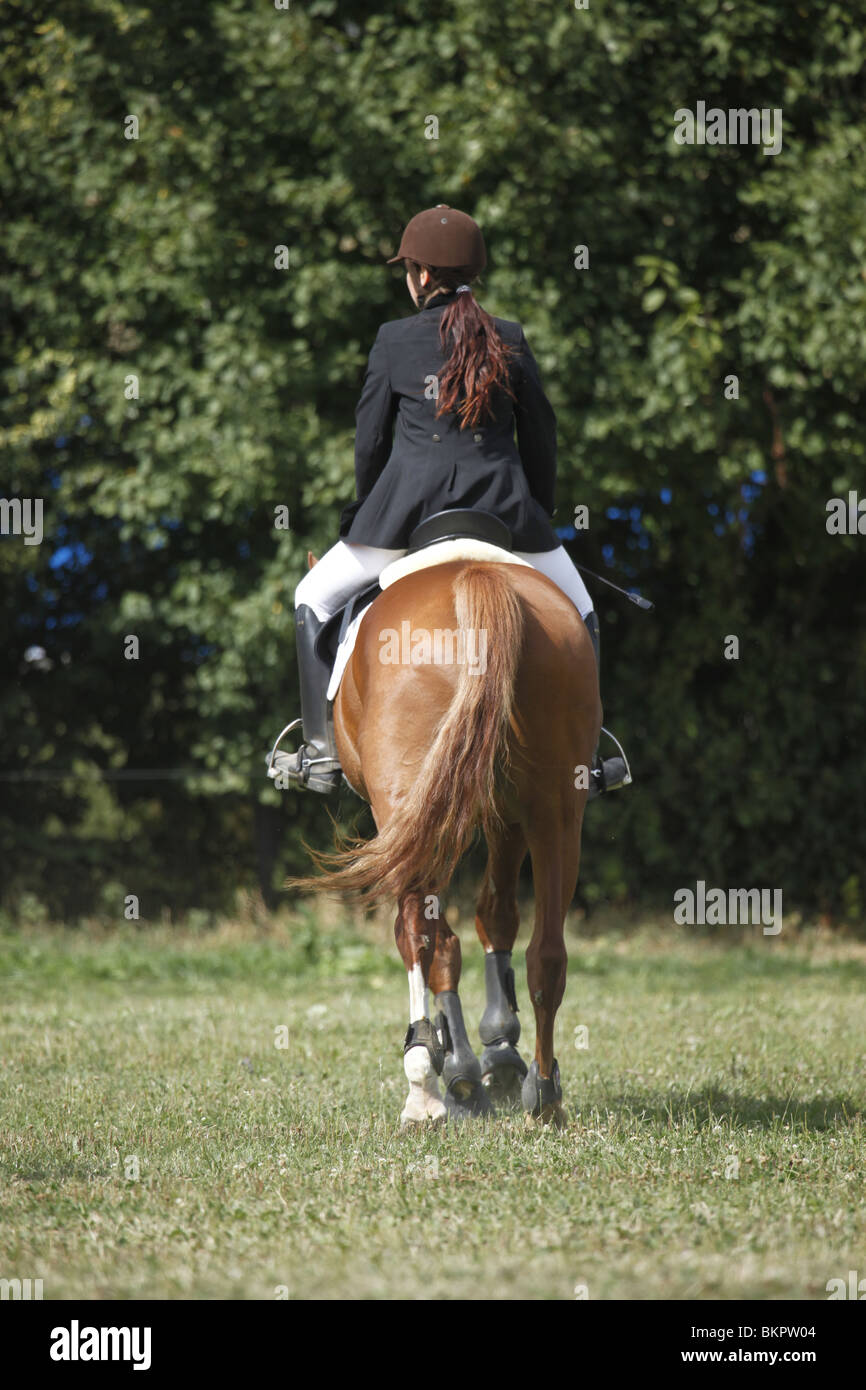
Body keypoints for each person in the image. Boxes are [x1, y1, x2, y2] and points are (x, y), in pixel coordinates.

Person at [275, 204, 630, 798]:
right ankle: (589, 759)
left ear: (419, 274)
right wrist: (536, 512)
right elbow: (541, 435)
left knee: (310, 597)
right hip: (505, 515)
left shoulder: (392, 340)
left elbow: (371, 443)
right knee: (583, 612)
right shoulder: (509, 336)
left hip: (405, 516)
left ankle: (319, 752)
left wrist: (365, 514)